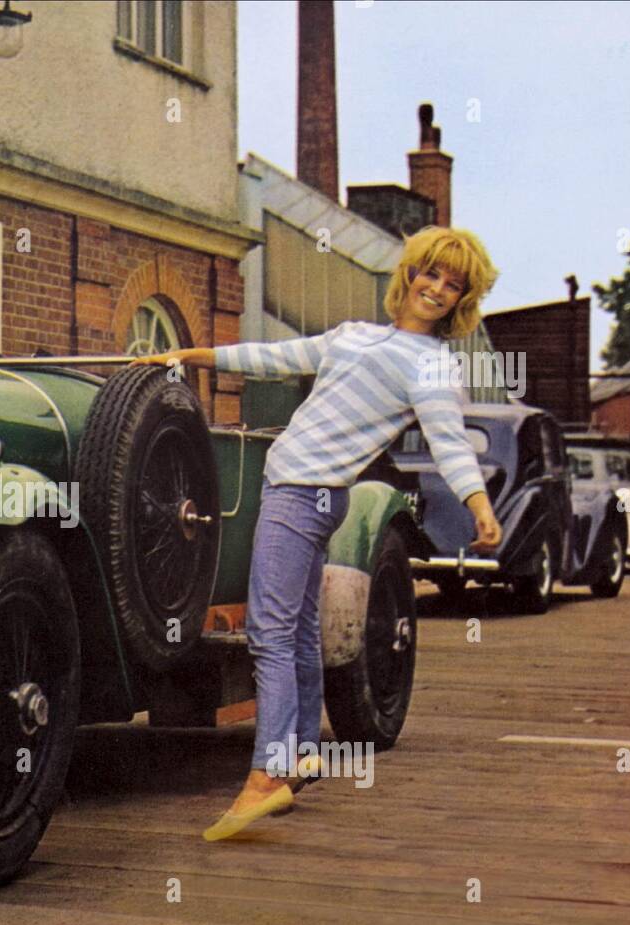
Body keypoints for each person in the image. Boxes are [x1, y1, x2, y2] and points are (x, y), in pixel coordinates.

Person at [133, 225, 504, 840]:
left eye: (453, 284)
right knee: (300, 630)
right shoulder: (354, 336)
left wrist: (478, 505)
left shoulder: (434, 366)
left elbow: (450, 445)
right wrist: (193, 358)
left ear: (461, 302)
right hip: (308, 496)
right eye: (429, 273)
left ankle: (267, 777)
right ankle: (303, 749)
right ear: (408, 274)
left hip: (302, 499)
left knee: (270, 634)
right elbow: (274, 358)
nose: (436, 288)